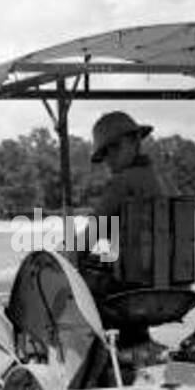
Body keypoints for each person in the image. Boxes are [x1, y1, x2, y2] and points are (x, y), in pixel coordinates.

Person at [79, 111, 169, 300]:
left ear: (135, 142)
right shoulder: (161, 180)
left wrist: (63, 255)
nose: (109, 158)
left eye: (115, 148)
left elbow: (90, 237)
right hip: (172, 281)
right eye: (104, 153)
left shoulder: (121, 183)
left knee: (71, 277)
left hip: (130, 285)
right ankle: (136, 331)